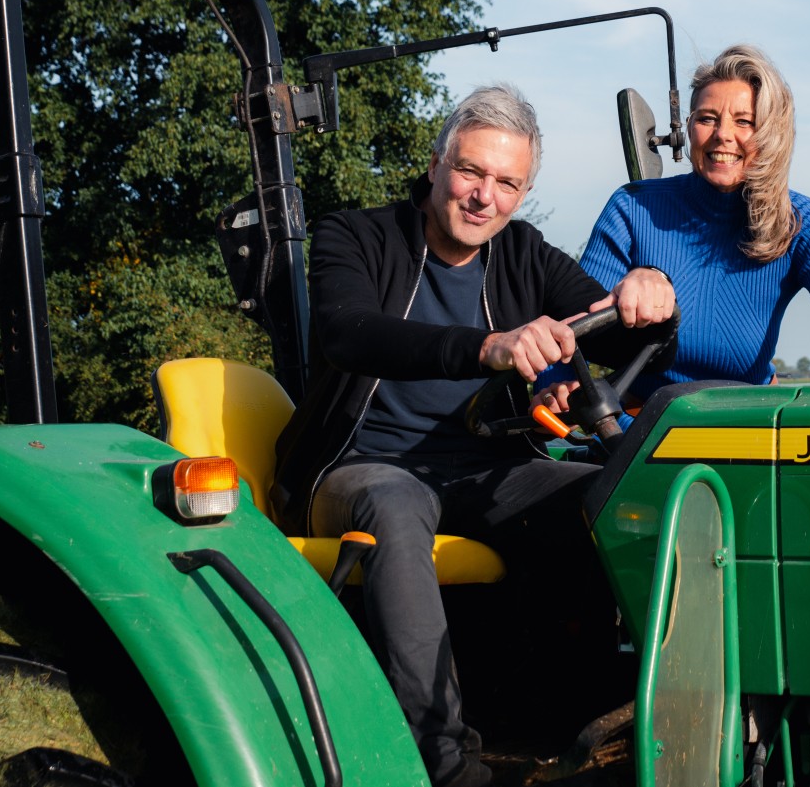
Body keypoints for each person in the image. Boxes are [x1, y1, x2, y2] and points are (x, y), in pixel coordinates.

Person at [270, 83, 674, 787]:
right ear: (436, 165)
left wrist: (651, 297)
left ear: (522, 190)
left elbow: (609, 328)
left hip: (484, 468)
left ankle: (578, 728)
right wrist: (486, 347)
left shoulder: (523, 254)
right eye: (471, 171)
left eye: (507, 181)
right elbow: (349, 333)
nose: (484, 195)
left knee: (606, 490)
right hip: (360, 466)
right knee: (394, 504)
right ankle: (444, 763)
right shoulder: (355, 236)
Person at [572, 43, 810, 402]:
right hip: (638, 429)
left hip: (747, 429)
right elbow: (571, 329)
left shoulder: (804, 222)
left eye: (744, 121)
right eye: (707, 118)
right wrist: (600, 419)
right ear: (687, 127)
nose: (723, 135)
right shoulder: (633, 206)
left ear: (770, 135)